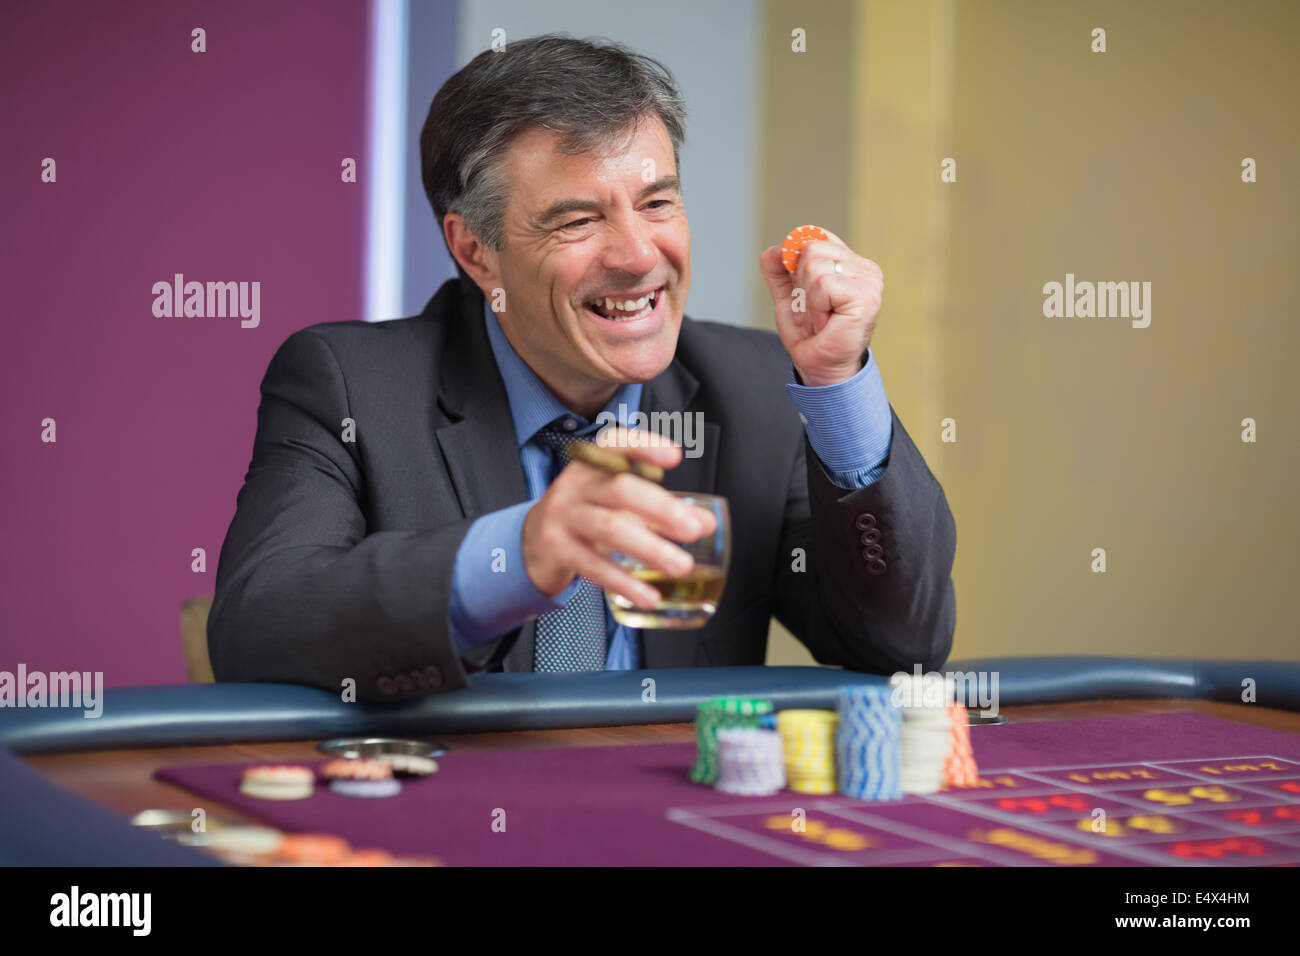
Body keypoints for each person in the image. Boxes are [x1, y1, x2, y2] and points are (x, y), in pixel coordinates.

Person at [207, 34, 956, 701]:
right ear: (475, 250)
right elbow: (257, 626)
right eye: (577, 220)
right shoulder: (349, 385)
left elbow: (902, 646)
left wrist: (839, 384)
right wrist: (520, 553)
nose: (637, 256)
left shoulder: (754, 386)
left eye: (657, 202)